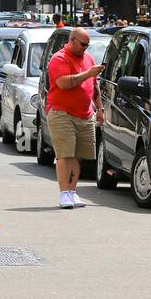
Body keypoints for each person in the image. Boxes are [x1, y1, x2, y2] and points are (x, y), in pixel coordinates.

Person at [45, 27, 104, 209]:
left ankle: (72, 191)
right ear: (72, 40)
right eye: (82, 44)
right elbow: (64, 83)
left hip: (85, 114)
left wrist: (100, 108)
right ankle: (64, 193)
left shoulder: (88, 58)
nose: (85, 48)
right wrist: (88, 73)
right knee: (65, 154)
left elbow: (94, 86)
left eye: (88, 45)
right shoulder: (59, 58)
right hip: (62, 112)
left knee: (78, 157)